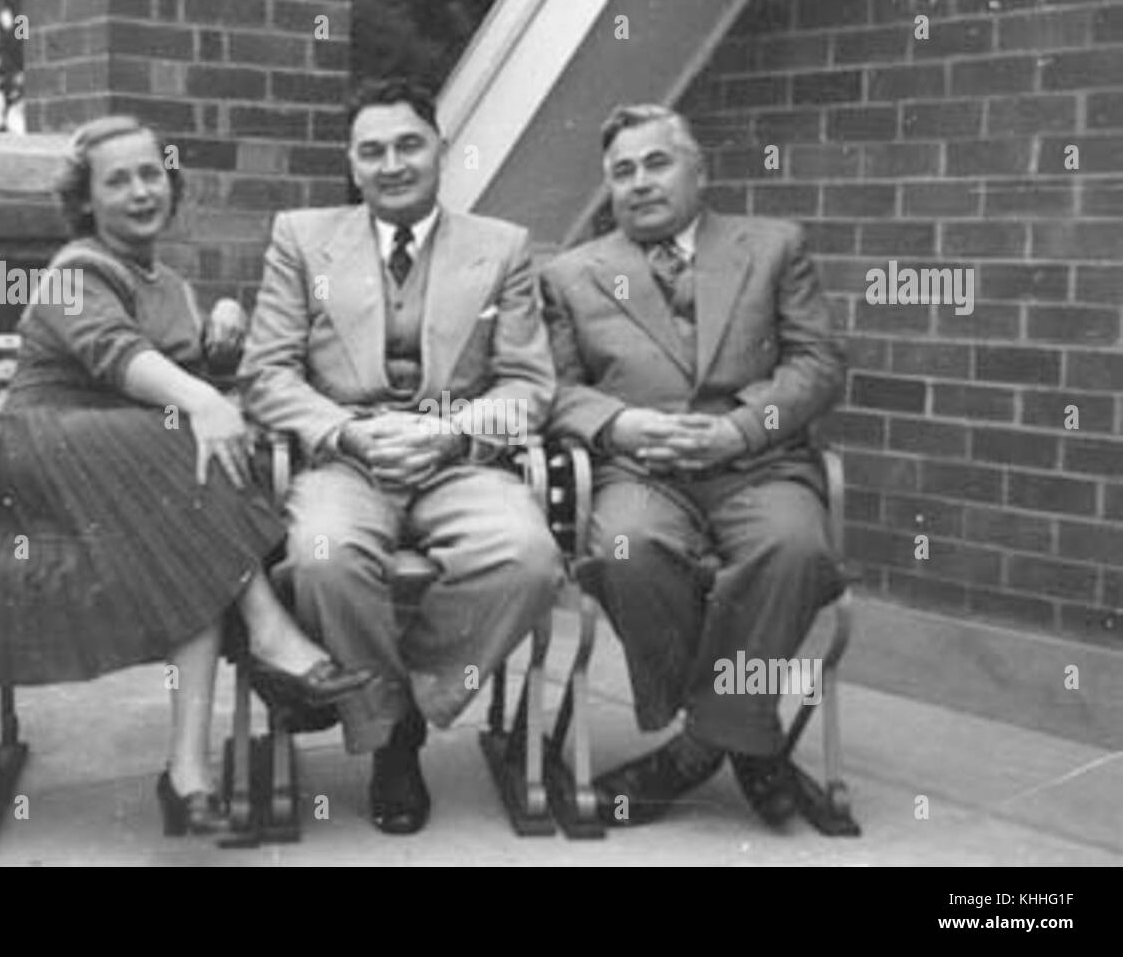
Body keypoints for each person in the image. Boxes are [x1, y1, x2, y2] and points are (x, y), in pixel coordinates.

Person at [0, 116, 373, 838]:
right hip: (49, 454)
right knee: (187, 444)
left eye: (152, 173)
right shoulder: (73, 270)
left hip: (139, 474)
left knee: (198, 556)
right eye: (117, 179)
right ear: (86, 201)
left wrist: (220, 330)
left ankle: (187, 775)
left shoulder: (173, 285)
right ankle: (273, 631)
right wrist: (206, 395)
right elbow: (118, 356)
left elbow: (183, 384)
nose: (141, 190)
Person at [239, 79, 562, 835]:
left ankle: (406, 704)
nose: (392, 164)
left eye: (409, 144)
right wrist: (346, 433)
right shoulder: (301, 237)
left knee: (529, 557)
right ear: (351, 165)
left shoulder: (502, 246)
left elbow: (529, 383)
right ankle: (390, 743)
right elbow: (266, 371)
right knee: (321, 556)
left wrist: (452, 435)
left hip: (459, 454)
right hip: (346, 453)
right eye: (372, 150)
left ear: (440, 150)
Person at [540, 104, 846, 828]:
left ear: (698, 171)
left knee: (797, 546)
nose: (639, 183)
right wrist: (618, 423)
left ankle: (696, 747)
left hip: (757, 462)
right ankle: (749, 734)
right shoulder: (570, 273)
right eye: (622, 172)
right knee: (627, 549)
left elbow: (819, 363)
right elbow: (548, 388)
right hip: (638, 471)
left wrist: (738, 430)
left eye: (656, 163)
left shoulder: (773, 247)